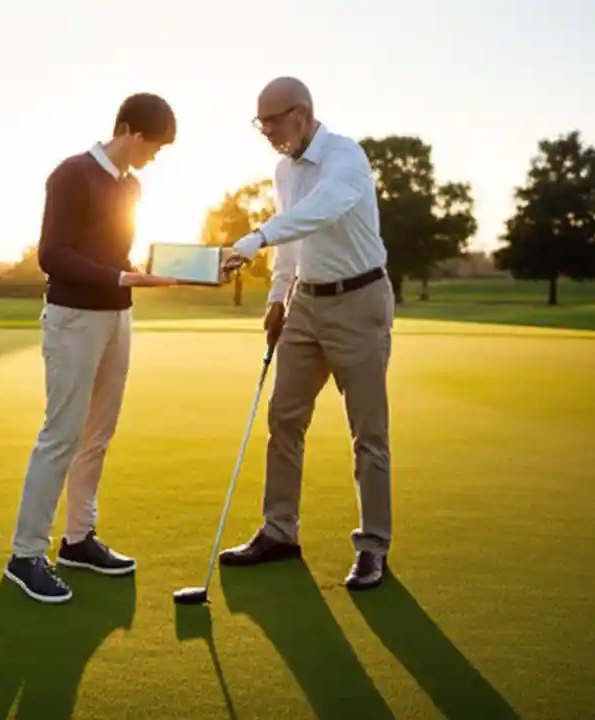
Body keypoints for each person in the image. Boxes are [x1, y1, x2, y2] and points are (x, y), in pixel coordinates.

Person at [220, 77, 394, 590]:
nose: (268, 132)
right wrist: (277, 297)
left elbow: (322, 211)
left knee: (368, 432)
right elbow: (294, 238)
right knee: (284, 418)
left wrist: (255, 238)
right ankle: (279, 531)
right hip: (306, 305)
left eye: (274, 121)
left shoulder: (346, 158)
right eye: (261, 123)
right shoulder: (283, 170)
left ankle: (373, 546)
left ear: (302, 112)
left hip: (359, 301)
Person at [5, 93, 179, 604]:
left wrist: (172, 272)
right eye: (152, 144)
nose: (154, 156)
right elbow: (52, 255)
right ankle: (26, 554)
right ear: (127, 129)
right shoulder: (72, 175)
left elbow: (116, 250)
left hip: (117, 317)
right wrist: (121, 275)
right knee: (61, 434)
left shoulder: (133, 187)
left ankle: (78, 540)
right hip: (73, 318)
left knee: (98, 434)